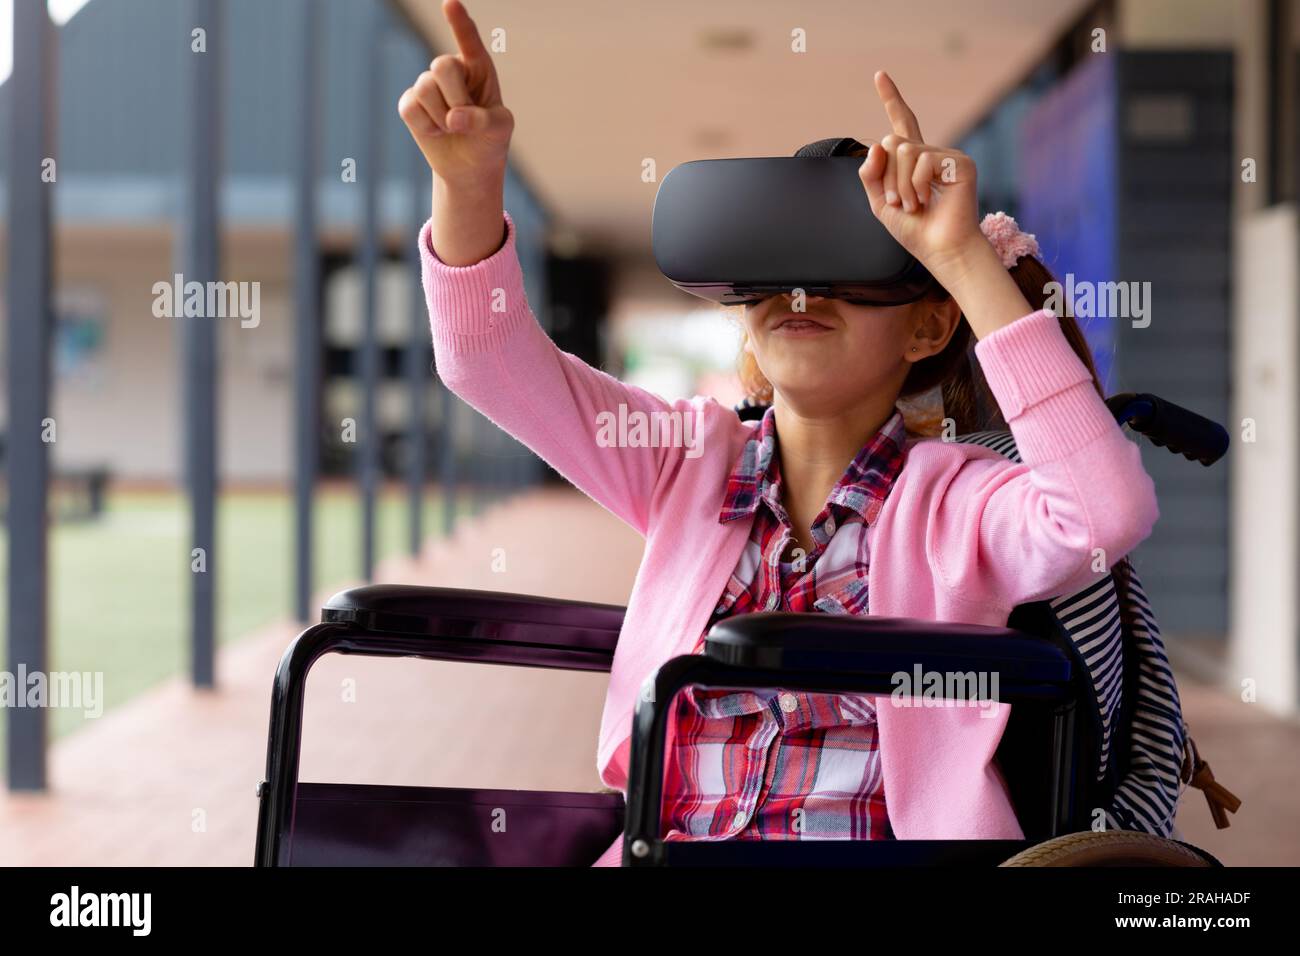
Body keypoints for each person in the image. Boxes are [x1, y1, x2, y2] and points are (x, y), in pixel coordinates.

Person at [397, 0, 1158, 867]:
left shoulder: (960, 503)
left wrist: (959, 257)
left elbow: (1103, 515)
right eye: (776, 272)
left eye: (844, 270)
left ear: (927, 327)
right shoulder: (681, 462)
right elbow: (488, 362)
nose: (803, 293)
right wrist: (467, 186)